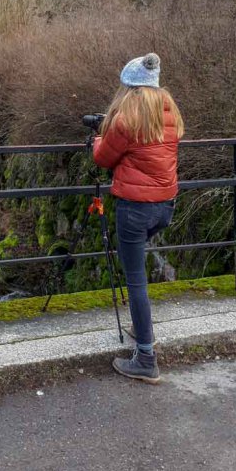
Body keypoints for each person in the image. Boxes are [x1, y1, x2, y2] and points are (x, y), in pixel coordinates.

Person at [93, 53, 184, 384]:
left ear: (129, 89)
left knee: (136, 279)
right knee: (138, 273)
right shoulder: (169, 114)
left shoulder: (124, 121)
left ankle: (145, 357)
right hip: (165, 207)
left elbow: (104, 158)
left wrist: (97, 137)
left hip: (134, 209)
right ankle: (140, 326)